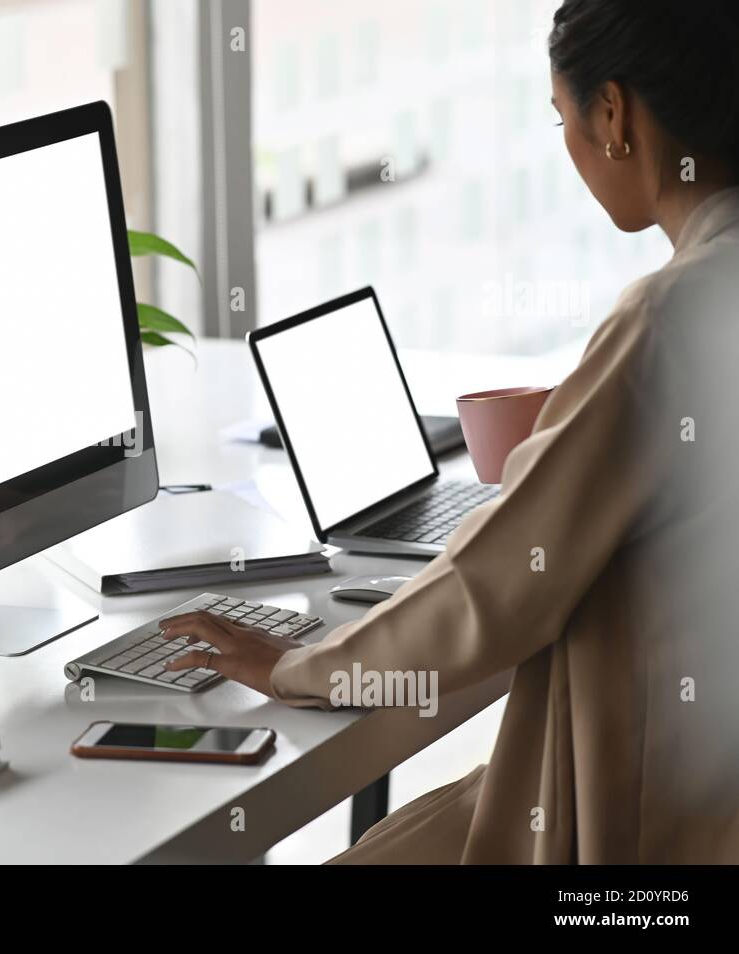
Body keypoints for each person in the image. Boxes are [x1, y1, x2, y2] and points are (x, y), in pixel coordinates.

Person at [162, 0, 739, 863]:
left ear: (613, 114)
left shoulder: (666, 319)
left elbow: (498, 587)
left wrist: (300, 665)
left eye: (562, 119)